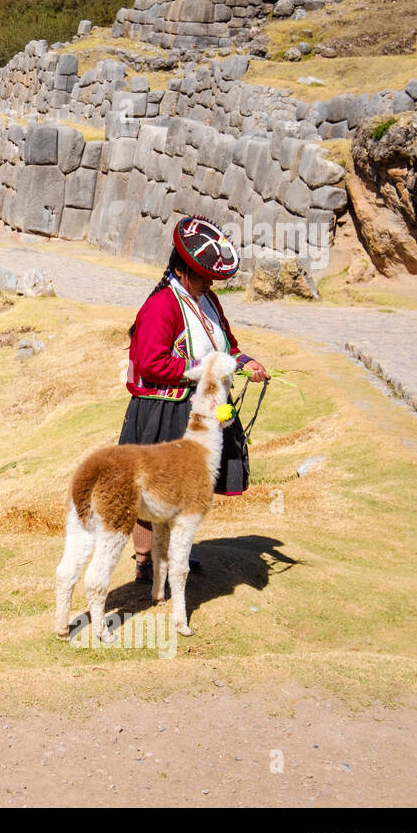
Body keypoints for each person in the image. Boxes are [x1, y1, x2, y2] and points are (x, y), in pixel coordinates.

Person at [122, 216, 271, 583]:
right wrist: (205, 370)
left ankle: (174, 555)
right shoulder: (162, 306)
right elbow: (151, 362)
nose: (209, 283)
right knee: (155, 488)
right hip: (165, 410)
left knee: (186, 490)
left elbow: (226, 345)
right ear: (182, 269)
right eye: (203, 276)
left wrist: (245, 361)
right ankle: (146, 560)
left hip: (199, 408)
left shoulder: (207, 301)